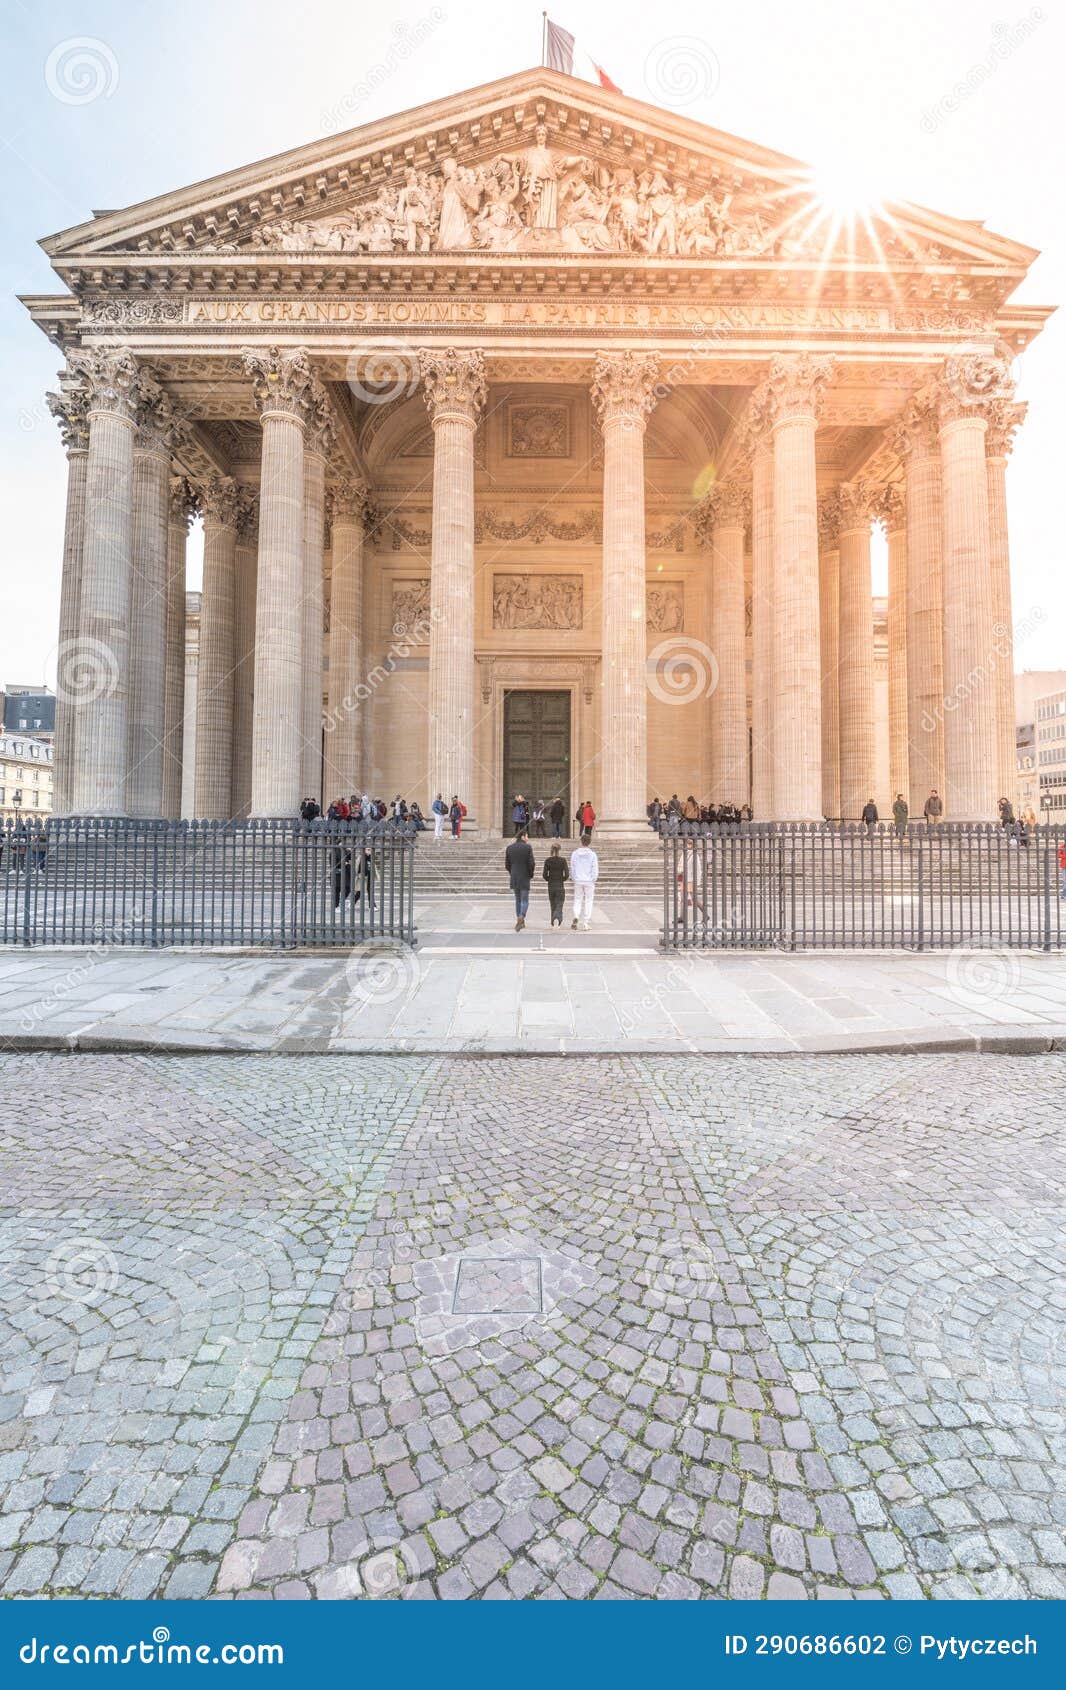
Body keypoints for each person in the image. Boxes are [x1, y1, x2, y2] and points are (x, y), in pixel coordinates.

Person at [505, 828, 535, 931]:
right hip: (524, 876)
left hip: (514, 876)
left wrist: (512, 872)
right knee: (524, 900)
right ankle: (521, 917)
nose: (528, 838)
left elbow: (507, 865)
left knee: (518, 900)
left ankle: (520, 921)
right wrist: (530, 874)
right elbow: (531, 863)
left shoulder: (509, 848)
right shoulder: (527, 847)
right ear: (523, 836)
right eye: (527, 836)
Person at [570, 831, 599, 932]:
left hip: (578, 880)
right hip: (589, 881)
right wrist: (593, 879)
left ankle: (576, 916)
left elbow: (572, 867)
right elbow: (594, 868)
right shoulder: (592, 855)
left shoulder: (574, 854)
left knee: (577, 899)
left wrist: (574, 877)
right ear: (589, 842)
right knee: (588, 901)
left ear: (581, 841)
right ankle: (586, 922)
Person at [542, 842, 569, 926]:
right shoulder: (563, 860)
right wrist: (562, 879)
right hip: (560, 885)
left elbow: (544, 875)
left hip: (551, 885)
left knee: (552, 903)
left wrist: (549, 879)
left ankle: (553, 920)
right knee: (560, 903)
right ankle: (558, 917)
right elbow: (567, 874)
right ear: (559, 850)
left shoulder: (548, 860)